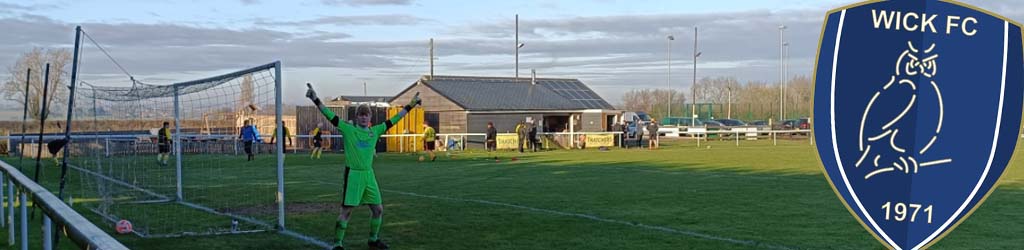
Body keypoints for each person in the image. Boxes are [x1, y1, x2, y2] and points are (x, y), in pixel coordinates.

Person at [307, 84, 419, 250]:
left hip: (369, 176)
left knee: (378, 210)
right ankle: (338, 244)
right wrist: (315, 99)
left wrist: (411, 104)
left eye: (366, 115)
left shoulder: (375, 131)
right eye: (361, 115)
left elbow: (396, 119)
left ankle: (373, 240)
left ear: (370, 117)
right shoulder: (348, 129)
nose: (364, 118)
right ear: (357, 117)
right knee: (346, 212)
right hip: (353, 175)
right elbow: (329, 115)